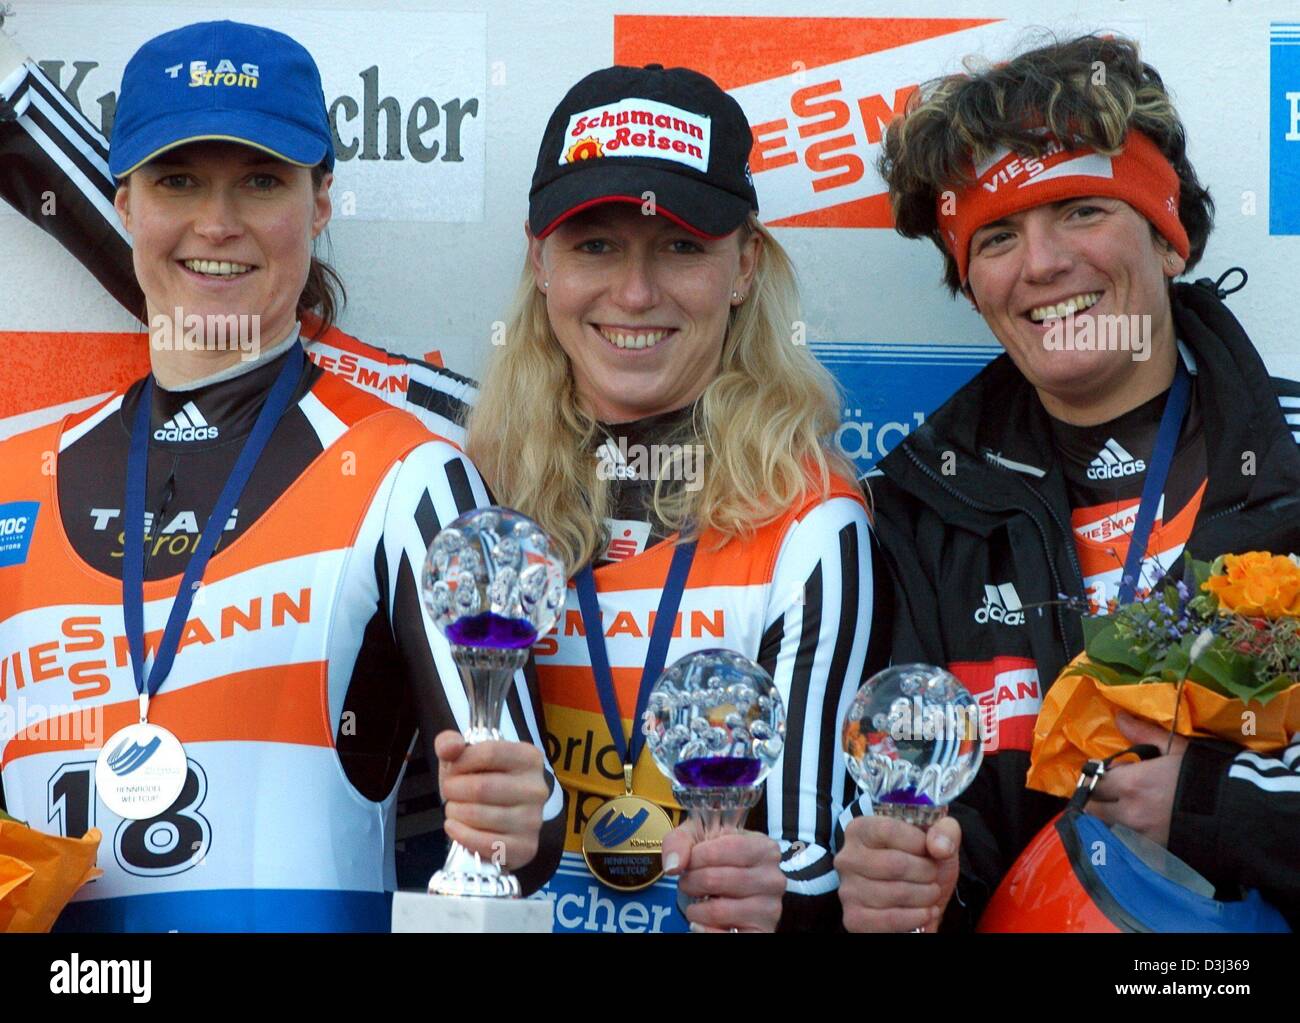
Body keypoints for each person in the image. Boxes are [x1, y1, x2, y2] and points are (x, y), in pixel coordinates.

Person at [0, 20, 563, 931]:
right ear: (124, 203)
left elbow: (524, 831)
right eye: (178, 180)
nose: (217, 223)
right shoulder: (13, 479)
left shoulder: (408, 477)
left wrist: (514, 813)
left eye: (261, 181)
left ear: (321, 201)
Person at [835, 33, 1300, 932]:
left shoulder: (1290, 461)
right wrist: (923, 878)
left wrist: (1214, 804)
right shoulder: (918, 509)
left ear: (1169, 238)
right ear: (973, 285)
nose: (1042, 264)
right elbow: (937, 814)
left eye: (1081, 210)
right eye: (997, 236)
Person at [465, 64, 891, 933]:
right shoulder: (475, 489)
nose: (635, 293)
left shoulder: (809, 519)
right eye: (596, 245)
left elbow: (813, 850)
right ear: (540, 261)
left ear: (744, 266)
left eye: (681, 247)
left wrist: (773, 886)